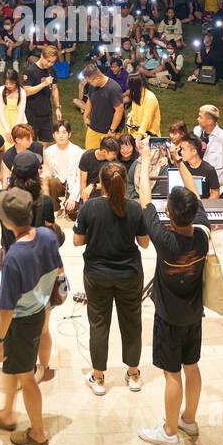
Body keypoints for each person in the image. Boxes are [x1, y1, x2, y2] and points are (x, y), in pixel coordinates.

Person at [134, 135, 208, 445]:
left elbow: (144, 198)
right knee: (192, 367)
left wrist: (145, 155)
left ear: (171, 215)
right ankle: (188, 419)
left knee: (172, 374)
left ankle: (168, 432)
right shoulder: (202, 234)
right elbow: (195, 194)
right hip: (194, 315)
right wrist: (179, 161)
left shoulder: (165, 241)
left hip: (168, 316)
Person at [0, 188, 64, 445]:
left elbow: (6, 309)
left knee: (27, 378)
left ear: (6, 222)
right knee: (15, 369)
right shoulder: (47, 236)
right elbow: (58, 269)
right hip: (39, 310)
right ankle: (7, 413)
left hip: (21, 321)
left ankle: (38, 434)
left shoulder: (15, 256)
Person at [74, 161, 147, 396]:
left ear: (101, 184)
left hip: (97, 275)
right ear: (124, 183)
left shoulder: (90, 208)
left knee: (98, 324)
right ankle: (133, 374)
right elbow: (144, 243)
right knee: (132, 323)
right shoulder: (134, 208)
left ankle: (98, 377)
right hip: (129, 275)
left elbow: (77, 241)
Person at [43, 120, 84, 219]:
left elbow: (80, 177)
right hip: (59, 183)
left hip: (73, 183)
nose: (61, 136)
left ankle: (69, 204)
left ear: (69, 134)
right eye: (57, 133)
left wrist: (73, 197)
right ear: (53, 135)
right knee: (51, 181)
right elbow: (47, 171)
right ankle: (55, 207)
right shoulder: (48, 151)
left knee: (71, 212)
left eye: (64, 132)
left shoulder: (78, 151)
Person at [81, 62, 125, 150]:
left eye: (90, 81)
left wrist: (112, 131)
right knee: (90, 154)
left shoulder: (114, 88)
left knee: (109, 158)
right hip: (94, 127)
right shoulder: (92, 86)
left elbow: (119, 110)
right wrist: (85, 116)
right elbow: (90, 100)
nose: (89, 84)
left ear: (97, 78)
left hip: (108, 131)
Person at [22, 46, 61, 143]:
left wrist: (57, 107)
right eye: (48, 61)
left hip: (46, 111)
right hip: (32, 112)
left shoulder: (52, 70)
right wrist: (43, 84)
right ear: (41, 56)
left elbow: (55, 88)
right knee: (31, 142)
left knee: (46, 142)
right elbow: (26, 92)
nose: (50, 64)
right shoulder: (29, 71)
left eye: (53, 62)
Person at [0, 68, 27, 144]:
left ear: (16, 81)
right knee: (2, 143)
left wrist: (15, 130)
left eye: (12, 83)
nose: (9, 86)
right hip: (3, 121)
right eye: (6, 83)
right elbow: (0, 110)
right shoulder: (0, 90)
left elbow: (21, 111)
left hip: (18, 121)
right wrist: (7, 130)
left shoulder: (22, 92)